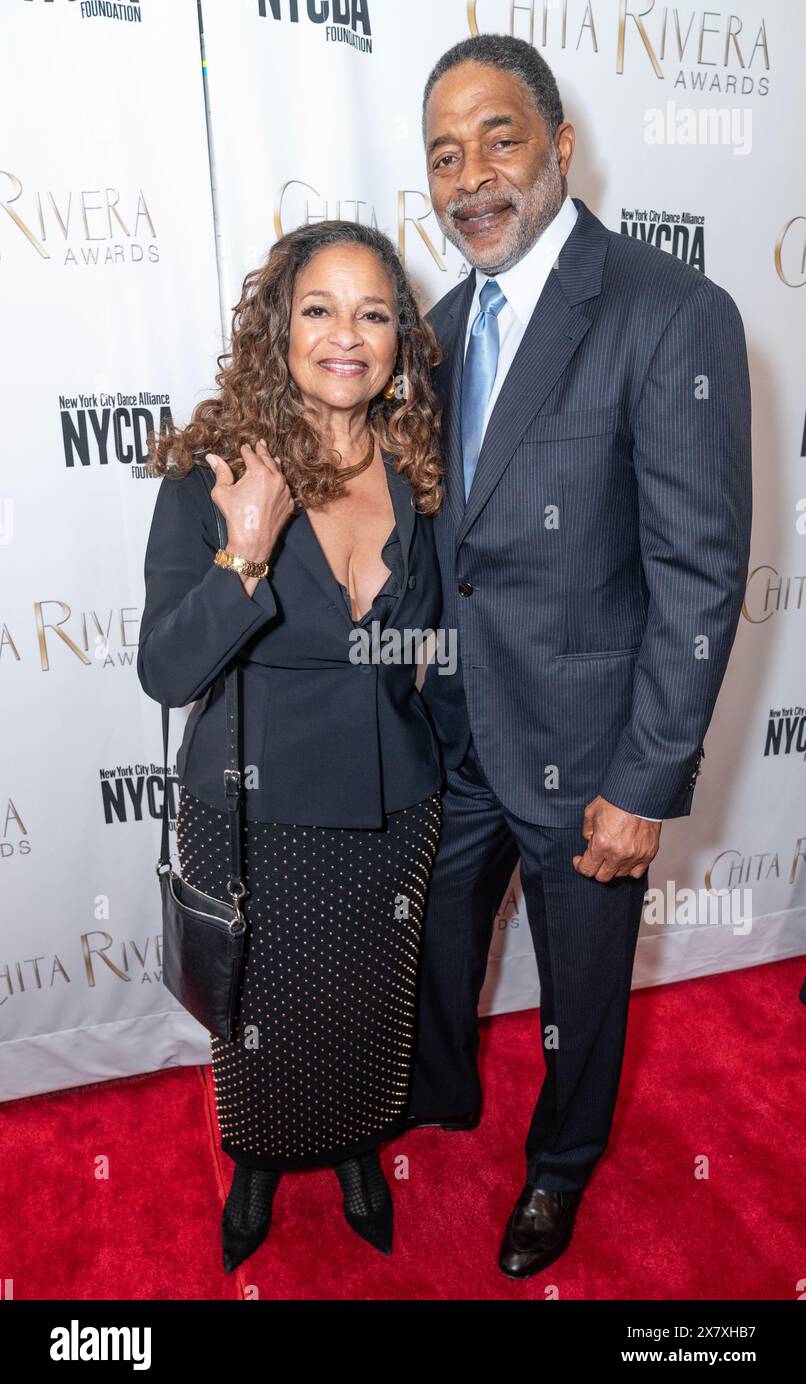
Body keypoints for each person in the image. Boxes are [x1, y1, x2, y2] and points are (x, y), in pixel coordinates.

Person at [406, 34, 752, 1279]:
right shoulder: (436, 330)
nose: (471, 176)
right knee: (434, 944)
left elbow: (700, 572)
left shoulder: (671, 313)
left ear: (559, 145)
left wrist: (645, 781)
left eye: (498, 137)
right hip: (456, 745)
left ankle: (559, 1165)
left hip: (592, 756)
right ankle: (436, 1096)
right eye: (444, 155)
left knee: (581, 996)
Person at [137, 220, 445, 1272]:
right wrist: (246, 550)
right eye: (319, 308)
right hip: (253, 818)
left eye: (372, 313)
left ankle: (359, 1150)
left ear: (399, 338)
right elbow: (165, 671)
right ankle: (257, 1168)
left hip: (393, 813)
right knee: (258, 1022)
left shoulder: (417, 471)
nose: (345, 336)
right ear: (280, 326)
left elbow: (421, 640)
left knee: (365, 1010)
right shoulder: (214, 473)